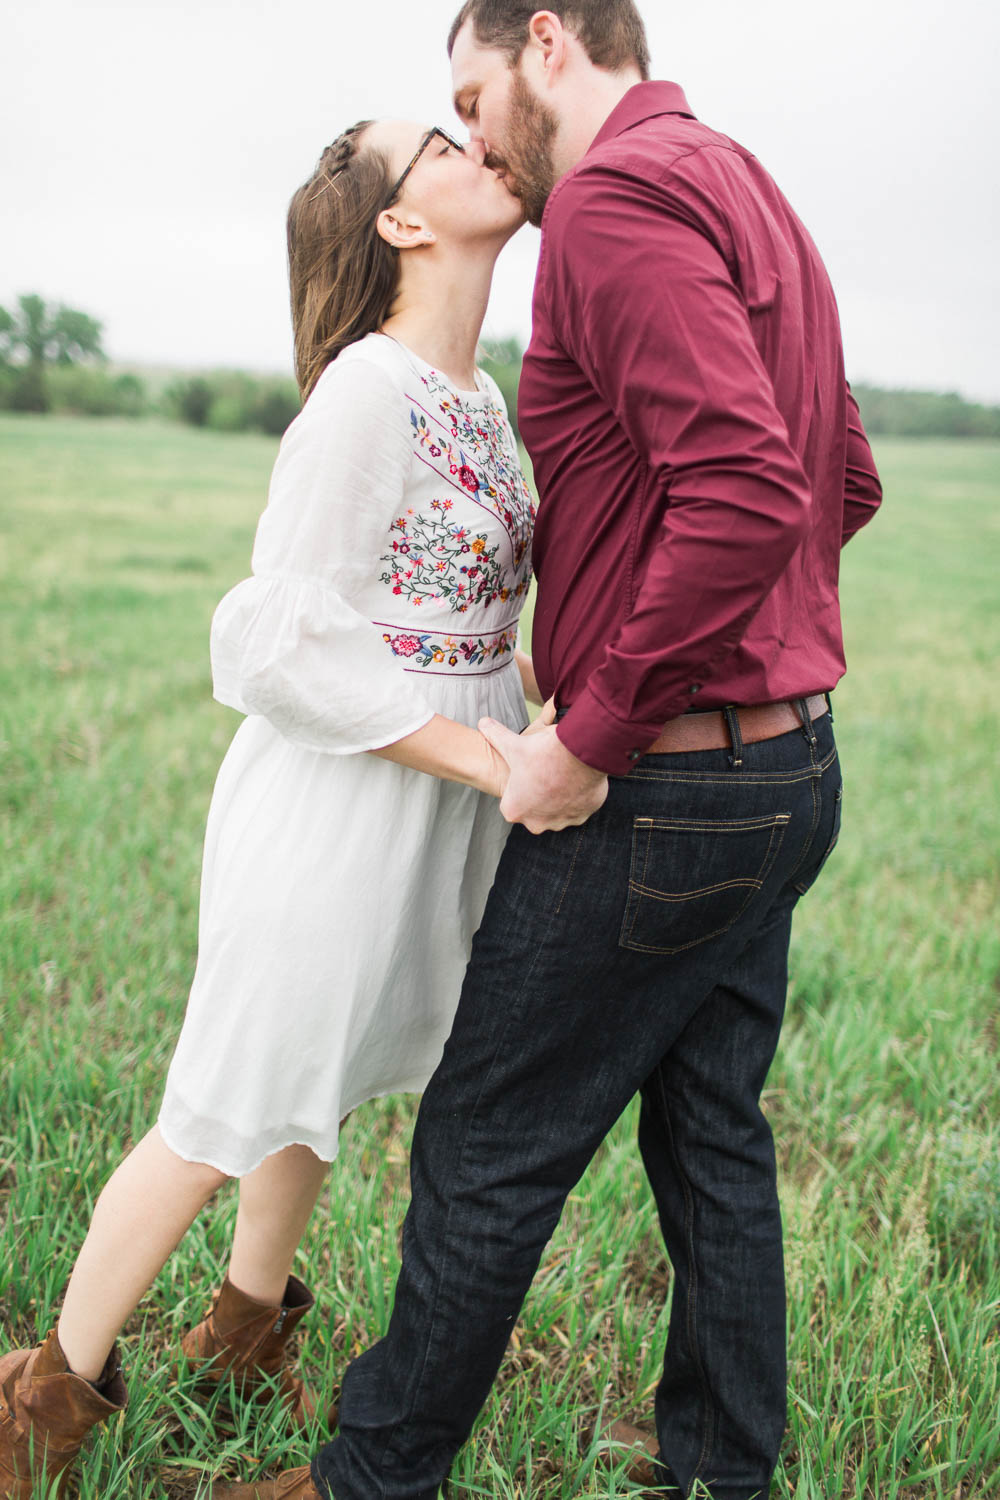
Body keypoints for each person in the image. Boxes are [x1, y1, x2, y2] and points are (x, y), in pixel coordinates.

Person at [205, 3, 884, 1499]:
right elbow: (843, 475)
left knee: (487, 1141)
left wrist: (601, 723)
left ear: (551, 42)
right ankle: (722, 1469)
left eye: (472, 91)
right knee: (710, 1132)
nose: (475, 129)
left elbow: (751, 487)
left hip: (667, 781)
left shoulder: (611, 206)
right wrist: (741, 649)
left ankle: (366, 1480)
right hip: (789, 768)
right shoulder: (747, 183)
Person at [0, 118, 539, 1500]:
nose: (482, 144)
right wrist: (490, 761)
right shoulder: (364, 393)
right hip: (337, 808)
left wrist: (533, 724)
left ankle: (242, 1338)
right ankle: (45, 1396)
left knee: (320, 1081)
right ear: (401, 223)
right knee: (224, 1101)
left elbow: (472, 623)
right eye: (442, 143)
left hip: (438, 808)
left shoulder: (479, 396)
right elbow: (274, 646)